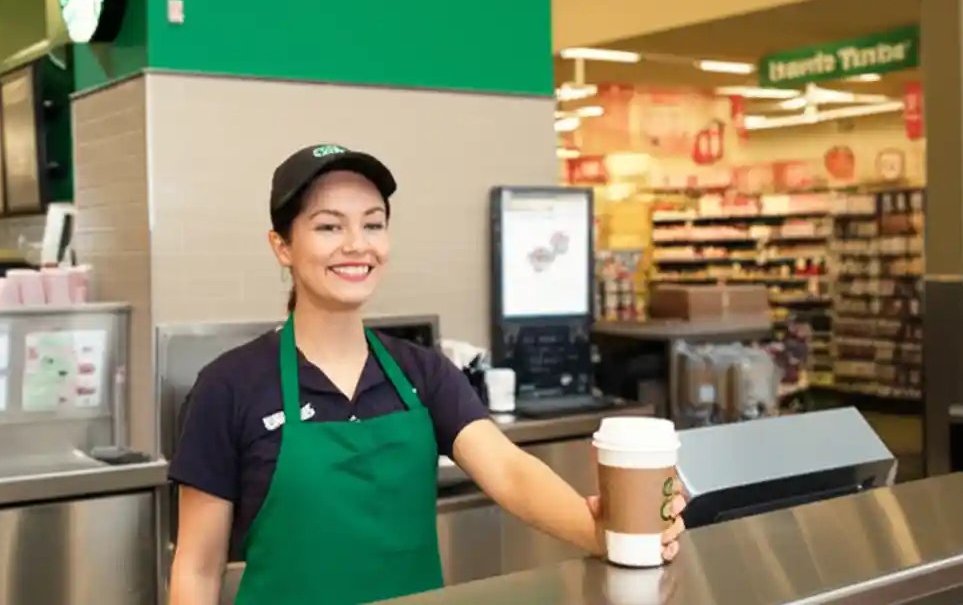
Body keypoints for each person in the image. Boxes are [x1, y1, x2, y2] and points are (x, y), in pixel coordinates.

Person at [167, 144, 686, 605]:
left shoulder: (421, 372)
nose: (357, 244)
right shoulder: (229, 387)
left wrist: (610, 535)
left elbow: (509, 471)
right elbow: (196, 567)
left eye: (373, 223)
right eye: (329, 226)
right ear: (282, 246)